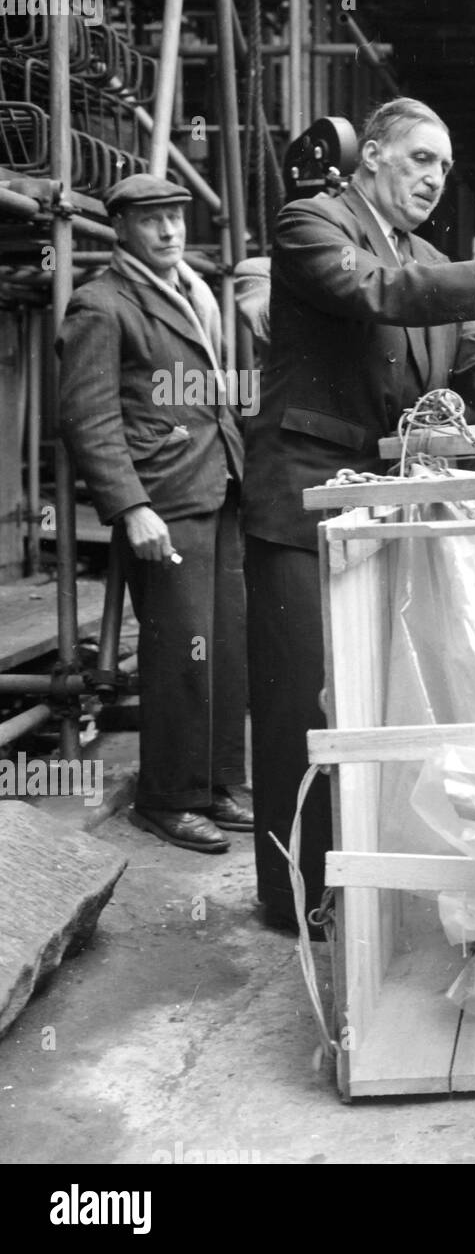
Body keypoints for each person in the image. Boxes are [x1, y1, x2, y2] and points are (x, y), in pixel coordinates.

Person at [241, 96, 475, 933]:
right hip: (303, 502)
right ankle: (295, 897)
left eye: (444, 166)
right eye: (420, 158)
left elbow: (468, 344)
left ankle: (362, 878)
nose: (434, 177)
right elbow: (378, 290)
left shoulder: (428, 253)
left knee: (374, 700)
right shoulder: (311, 222)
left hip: (383, 502)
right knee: (303, 703)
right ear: (374, 156)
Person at [58, 174, 252, 853]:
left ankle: (222, 781)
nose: (171, 231)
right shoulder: (101, 304)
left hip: (219, 485)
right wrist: (131, 506)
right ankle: (168, 797)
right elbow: (87, 417)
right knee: (181, 654)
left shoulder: (191, 289)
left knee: (225, 645)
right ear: (121, 228)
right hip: (165, 499)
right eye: (153, 221)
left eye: (176, 217)